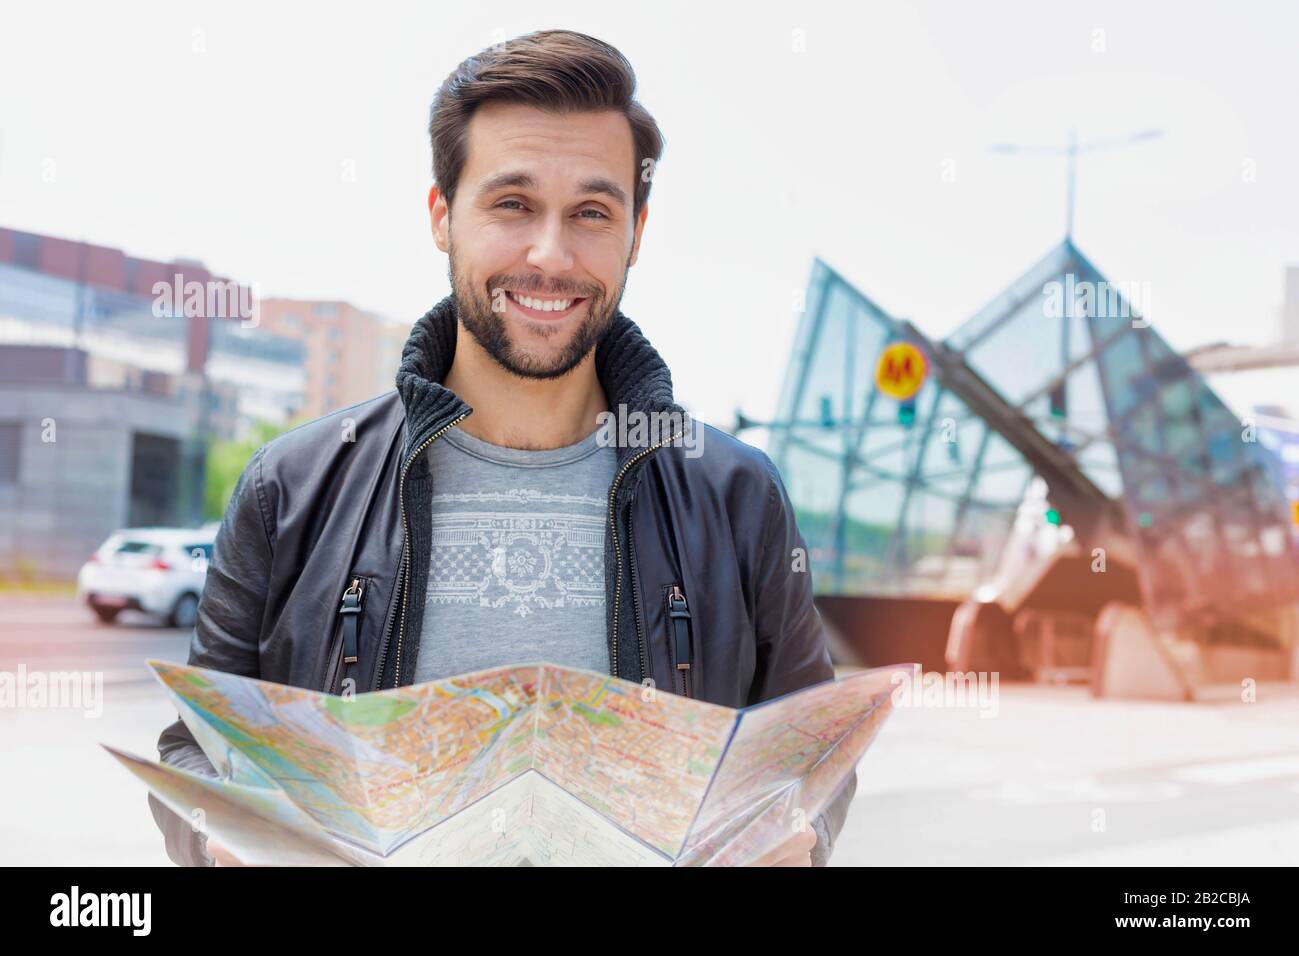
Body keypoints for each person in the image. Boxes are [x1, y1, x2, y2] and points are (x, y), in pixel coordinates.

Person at [152, 28, 855, 867]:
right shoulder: (294, 485)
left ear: (636, 233)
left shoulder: (737, 494)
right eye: (512, 204)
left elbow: (813, 754)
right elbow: (198, 745)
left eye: (592, 213)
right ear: (443, 216)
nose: (551, 255)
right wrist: (219, 841)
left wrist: (801, 841)